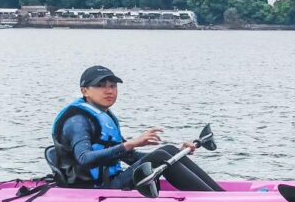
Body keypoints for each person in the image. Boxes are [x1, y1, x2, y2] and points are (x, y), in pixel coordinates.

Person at [49, 65, 221, 192]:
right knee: (161, 155)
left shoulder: (104, 116)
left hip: (110, 182)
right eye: (101, 86)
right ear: (85, 91)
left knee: (168, 150)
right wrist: (131, 144)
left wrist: (177, 155)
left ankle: (220, 196)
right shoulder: (77, 121)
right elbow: (84, 159)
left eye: (113, 86)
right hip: (91, 190)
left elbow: (129, 157)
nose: (109, 91)